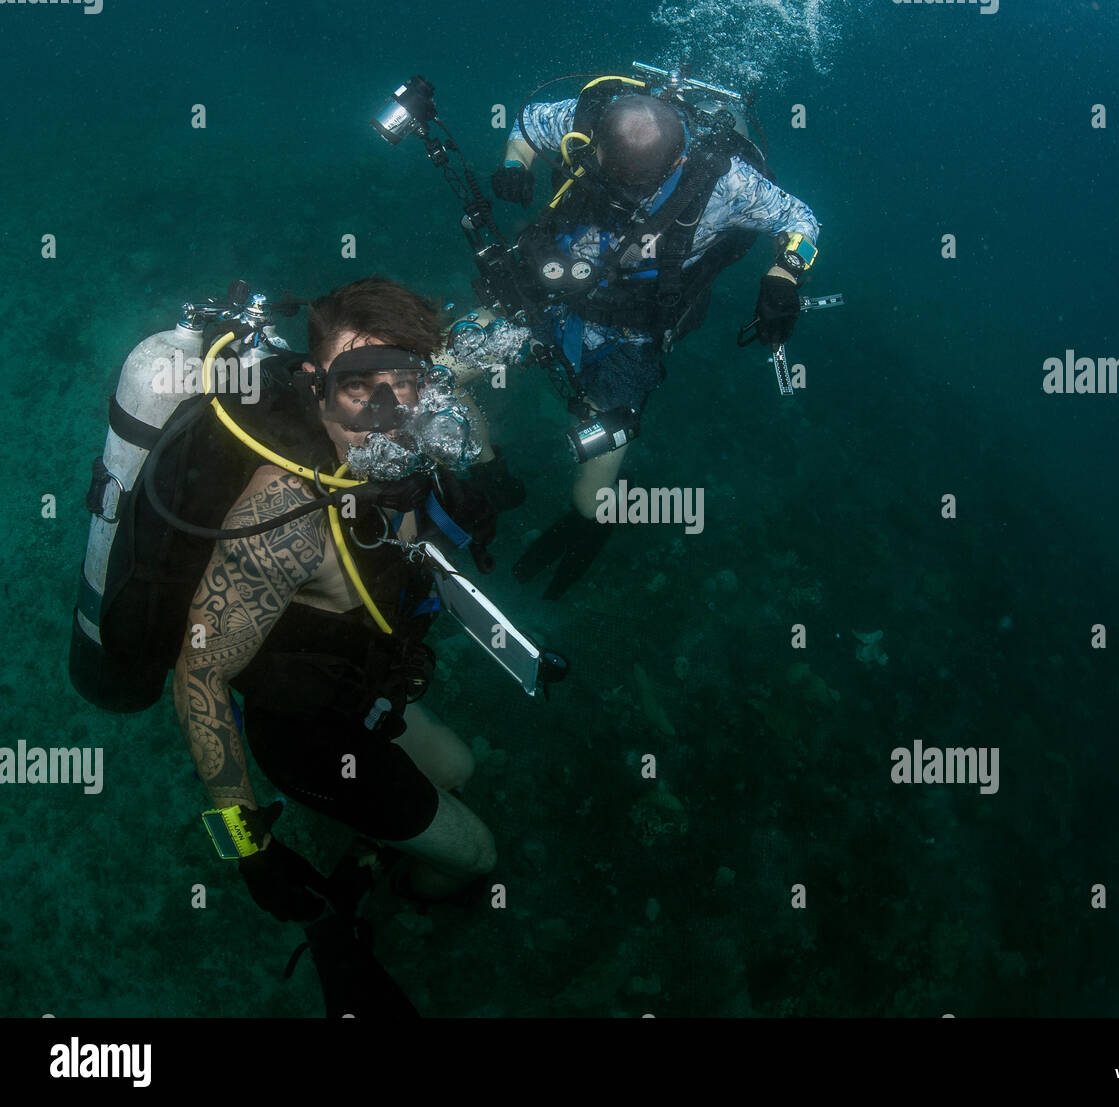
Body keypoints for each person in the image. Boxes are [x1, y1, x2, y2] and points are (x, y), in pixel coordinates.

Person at [173, 277, 509, 922]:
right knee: (478, 857)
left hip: (366, 688)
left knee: (459, 767)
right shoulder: (287, 516)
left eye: (401, 381)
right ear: (314, 382)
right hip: (306, 737)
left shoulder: (415, 438)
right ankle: (369, 918)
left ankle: (369, 848)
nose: (383, 411)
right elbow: (200, 674)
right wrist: (247, 849)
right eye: (357, 385)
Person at [490, 82, 822, 598]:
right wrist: (516, 164)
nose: (624, 194)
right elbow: (527, 126)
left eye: (636, 184)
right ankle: (485, 480)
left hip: (633, 332)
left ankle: (585, 529)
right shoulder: (584, 119)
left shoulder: (726, 182)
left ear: (677, 161)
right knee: (450, 358)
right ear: (597, 143)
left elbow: (803, 222)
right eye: (614, 174)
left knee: (592, 486)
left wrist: (784, 275)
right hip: (549, 287)